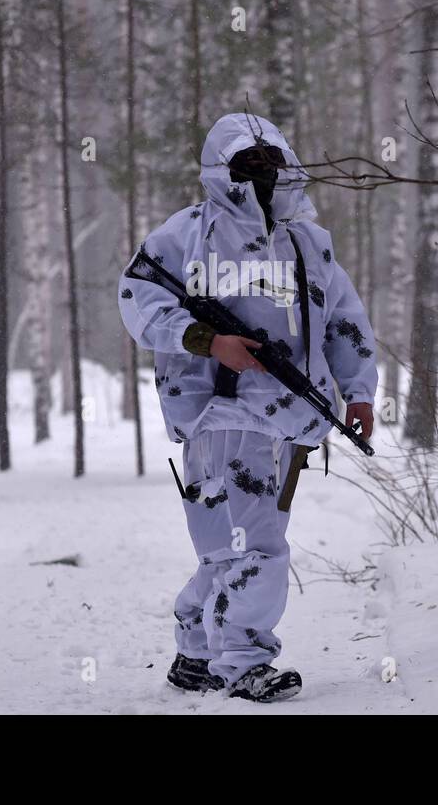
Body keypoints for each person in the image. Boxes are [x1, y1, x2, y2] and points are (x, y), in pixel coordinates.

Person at [117, 113, 378, 702]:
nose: (260, 175)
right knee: (256, 547)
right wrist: (211, 342)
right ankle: (242, 659)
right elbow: (138, 302)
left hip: (290, 415)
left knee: (229, 544)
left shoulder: (308, 242)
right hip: (219, 415)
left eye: (269, 163)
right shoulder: (183, 237)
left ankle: (195, 647)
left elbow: (344, 319)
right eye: (246, 164)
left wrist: (358, 390)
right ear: (221, 170)